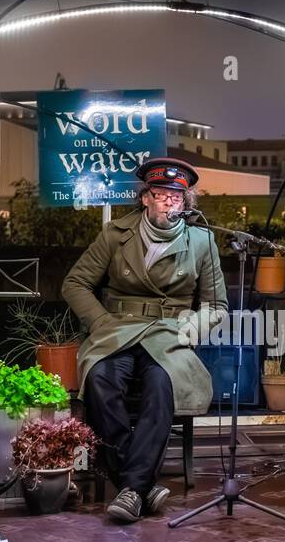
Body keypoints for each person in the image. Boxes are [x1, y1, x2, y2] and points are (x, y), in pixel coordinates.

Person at [61, 158, 227, 523]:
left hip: (169, 334)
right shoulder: (115, 234)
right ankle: (140, 487)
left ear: (186, 202)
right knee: (99, 379)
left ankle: (131, 488)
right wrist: (101, 321)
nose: (169, 201)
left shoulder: (202, 242)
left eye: (177, 197)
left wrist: (191, 328)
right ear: (146, 198)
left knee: (161, 385)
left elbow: (216, 306)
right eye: (161, 194)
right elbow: (75, 284)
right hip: (118, 330)